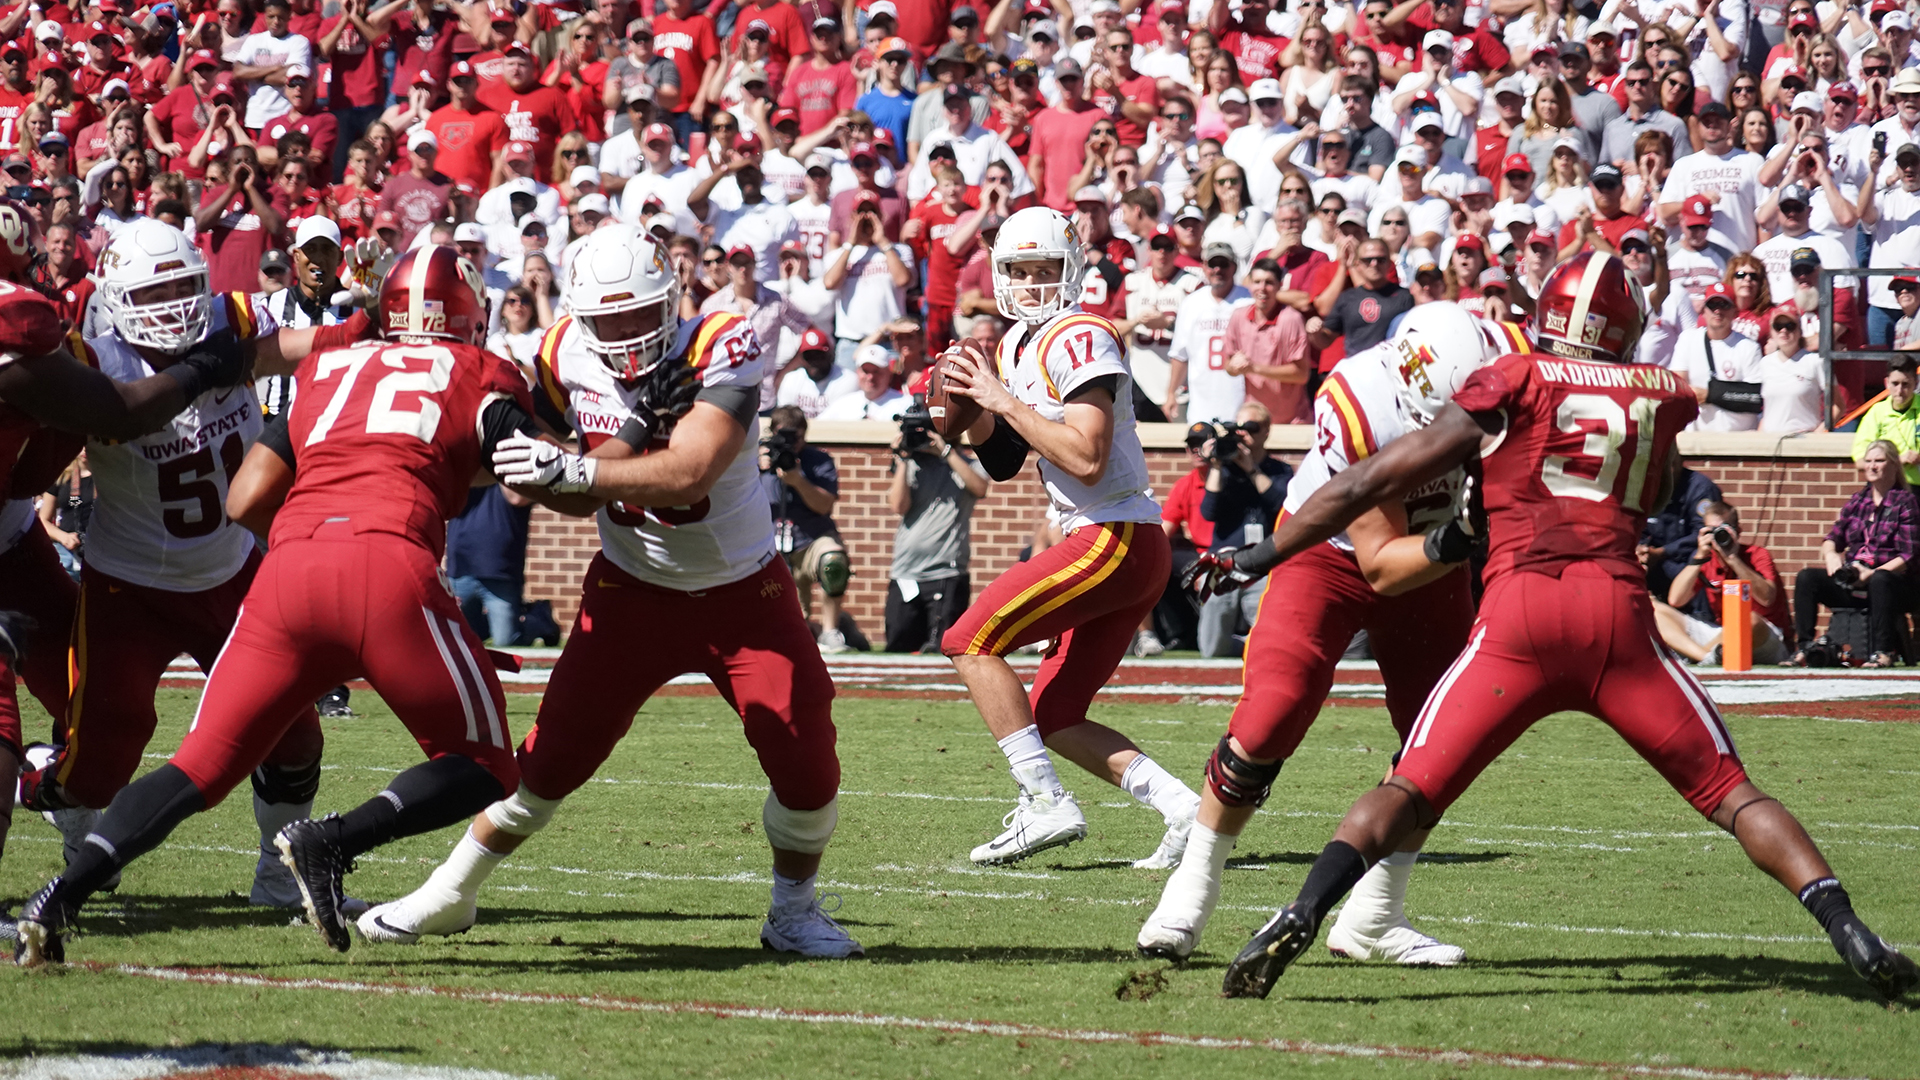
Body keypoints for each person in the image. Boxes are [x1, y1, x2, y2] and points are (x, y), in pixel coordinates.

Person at [1198, 251, 1919, 1004]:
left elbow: (1367, 481)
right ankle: (1849, 929)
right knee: (1732, 792)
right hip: (1617, 622)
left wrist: (1260, 552)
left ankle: (1302, 911)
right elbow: (1667, 479)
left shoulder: (1516, 376)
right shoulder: (1657, 391)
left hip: (1520, 616)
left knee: (1412, 780)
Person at [15, 245, 541, 966]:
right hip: (226, 573)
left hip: (273, 570)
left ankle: (61, 897)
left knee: (204, 764)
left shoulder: (314, 366)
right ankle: (332, 841)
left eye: (182, 284)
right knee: (489, 763)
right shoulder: (480, 369)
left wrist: (310, 540)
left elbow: (245, 499)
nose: (174, 302)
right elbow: (536, 474)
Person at [355, 226, 860, 960]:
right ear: (582, 316)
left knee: (808, 762)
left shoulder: (722, 340)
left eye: (639, 315)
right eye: (609, 320)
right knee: (547, 762)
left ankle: (793, 911)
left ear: (671, 302)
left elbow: (688, 472)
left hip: (743, 591)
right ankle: (450, 892)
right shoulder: (563, 351)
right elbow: (542, 491)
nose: (625, 335)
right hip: (629, 589)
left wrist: (573, 469)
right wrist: (554, 466)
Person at [1142, 286, 1496, 968]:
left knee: (1441, 743)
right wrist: (1461, 542)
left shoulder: (1495, 361)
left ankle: (1375, 916)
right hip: (1335, 559)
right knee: (1271, 715)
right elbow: (1382, 564)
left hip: (1435, 564)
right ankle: (1195, 880)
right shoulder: (1359, 398)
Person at [14, 218, 327, 910]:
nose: (177, 307)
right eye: (156, 294)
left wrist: (348, 336)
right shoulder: (92, 364)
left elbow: (297, 349)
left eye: (186, 287)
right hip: (131, 590)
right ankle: (49, 797)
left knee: (294, 734)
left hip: (235, 570)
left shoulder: (235, 317)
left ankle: (278, 881)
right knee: (96, 767)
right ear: (118, 299)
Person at [935, 205, 1200, 870]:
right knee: (1054, 712)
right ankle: (1184, 811)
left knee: (968, 640)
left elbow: (1084, 456)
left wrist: (1000, 400)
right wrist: (964, 406)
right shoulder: (1015, 344)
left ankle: (1044, 803)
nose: (1030, 284)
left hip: (1113, 532)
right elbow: (1001, 463)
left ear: (1072, 270)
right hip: (1118, 540)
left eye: (1043, 270)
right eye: (1018, 272)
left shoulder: (1080, 334)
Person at [0, 203, 257, 870]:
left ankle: (72, 817)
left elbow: (27, 472)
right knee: (7, 719)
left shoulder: (229, 317)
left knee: (77, 699)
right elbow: (113, 413)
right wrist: (201, 371)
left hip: (16, 534)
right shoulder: (68, 344)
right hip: (121, 573)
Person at [1788, 440, 1917, 670]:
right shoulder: (1858, 501)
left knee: (1881, 580)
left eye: (1879, 461)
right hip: (1855, 579)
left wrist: (1871, 573)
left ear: (1894, 465)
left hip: (1893, 585)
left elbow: (1909, 556)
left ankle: (1883, 652)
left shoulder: (1905, 502)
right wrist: (1831, 555)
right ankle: (1805, 648)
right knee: (1807, 578)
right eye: (1868, 461)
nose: (1872, 466)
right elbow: (1833, 538)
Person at [884, 408, 989, 653]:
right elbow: (898, 505)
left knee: (944, 649)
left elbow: (980, 488)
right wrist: (903, 458)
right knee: (898, 648)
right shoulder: (911, 465)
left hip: (947, 573)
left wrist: (945, 452)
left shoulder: (967, 464)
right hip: (906, 571)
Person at [1193, 402, 1290, 658]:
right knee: (1212, 649)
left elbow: (1283, 507)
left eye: (1251, 427)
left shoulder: (1280, 471)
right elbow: (1208, 512)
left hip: (1264, 563)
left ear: (1267, 431)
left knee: (1270, 641)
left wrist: (1251, 469)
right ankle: (1241, 646)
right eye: (1239, 428)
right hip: (1224, 562)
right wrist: (1215, 465)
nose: (1244, 434)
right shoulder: (1223, 469)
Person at [760, 405, 853, 652]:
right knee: (792, 631)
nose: (792, 443)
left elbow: (824, 505)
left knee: (833, 561)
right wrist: (754, 466)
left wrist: (798, 480)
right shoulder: (756, 460)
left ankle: (831, 631)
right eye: (784, 436)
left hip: (811, 540)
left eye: (797, 436)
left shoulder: (818, 460)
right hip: (771, 545)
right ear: (771, 434)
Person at [1654, 502, 1790, 667]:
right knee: (1653, 608)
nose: (1718, 536)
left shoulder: (1757, 555)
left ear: (1737, 531)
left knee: (1748, 619)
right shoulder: (1706, 560)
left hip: (1764, 636)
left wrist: (1733, 559)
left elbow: (1767, 598)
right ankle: (1705, 656)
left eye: (1723, 530)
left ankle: (1697, 656)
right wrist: (1699, 557)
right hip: (1723, 636)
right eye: (1711, 531)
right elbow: (1676, 600)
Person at [1167, 242, 1251, 424]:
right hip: (1202, 402)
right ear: (1204, 267)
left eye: (1224, 264)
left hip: (1242, 399)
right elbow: (1180, 354)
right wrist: (1171, 393)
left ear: (1234, 267)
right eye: (1213, 264)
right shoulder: (1191, 303)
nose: (1218, 270)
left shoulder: (1248, 300)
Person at [1674, 282, 1764, 433]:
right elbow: (1677, 386)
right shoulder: (1688, 339)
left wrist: (1711, 395)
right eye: (1712, 305)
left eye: (1724, 305)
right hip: (1698, 436)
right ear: (1703, 311)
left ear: (1735, 311)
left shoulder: (1748, 347)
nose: (1718, 310)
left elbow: (1754, 398)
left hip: (1738, 437)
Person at [1851, 358, 1920, 485]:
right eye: (1895, 384)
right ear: (1886, 383)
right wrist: (1898, 461)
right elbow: (1860, 461)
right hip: (1885, 488)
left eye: (1906, 384)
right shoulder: (1877, 413)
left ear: (1916, 383)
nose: (1899, 391)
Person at [1758, 310, 1829, 433]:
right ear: (1771, 332)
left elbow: (1838, 405)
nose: (1783, 331)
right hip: (1770, 440)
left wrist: (1818, 434)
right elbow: (1769, 410)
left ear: (1800, 331)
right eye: (1778, 326)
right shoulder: (1765, 363)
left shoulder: (1815, 361)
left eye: (1790, 326)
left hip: (1803, 439)